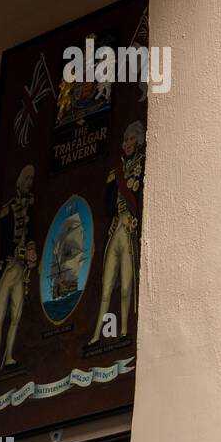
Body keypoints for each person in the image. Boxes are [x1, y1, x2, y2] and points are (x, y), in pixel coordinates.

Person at [89, 121, 145, 344]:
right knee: (107, 285)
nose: (128, 143)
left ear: (138, 142)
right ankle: (97, 335)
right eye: (126, 140)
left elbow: (140, 199)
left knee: (126, 286)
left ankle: (123, 331)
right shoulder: (116, 172)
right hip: (116, 229)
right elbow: (108, 206)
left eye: (132, 139)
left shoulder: (143, 164)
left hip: (129, 228)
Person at [0, 164, 37, 372]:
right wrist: (18, 253)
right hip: (8, 268)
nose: (29, 182)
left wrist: (31, 252)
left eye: (31, 179)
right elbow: (3, 242)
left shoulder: (31, 204)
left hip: (21, 269)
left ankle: (8, 357)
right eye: (27, 178)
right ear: (20, 180)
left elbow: (31, 233)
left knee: (16, 316)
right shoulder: (9, 208)